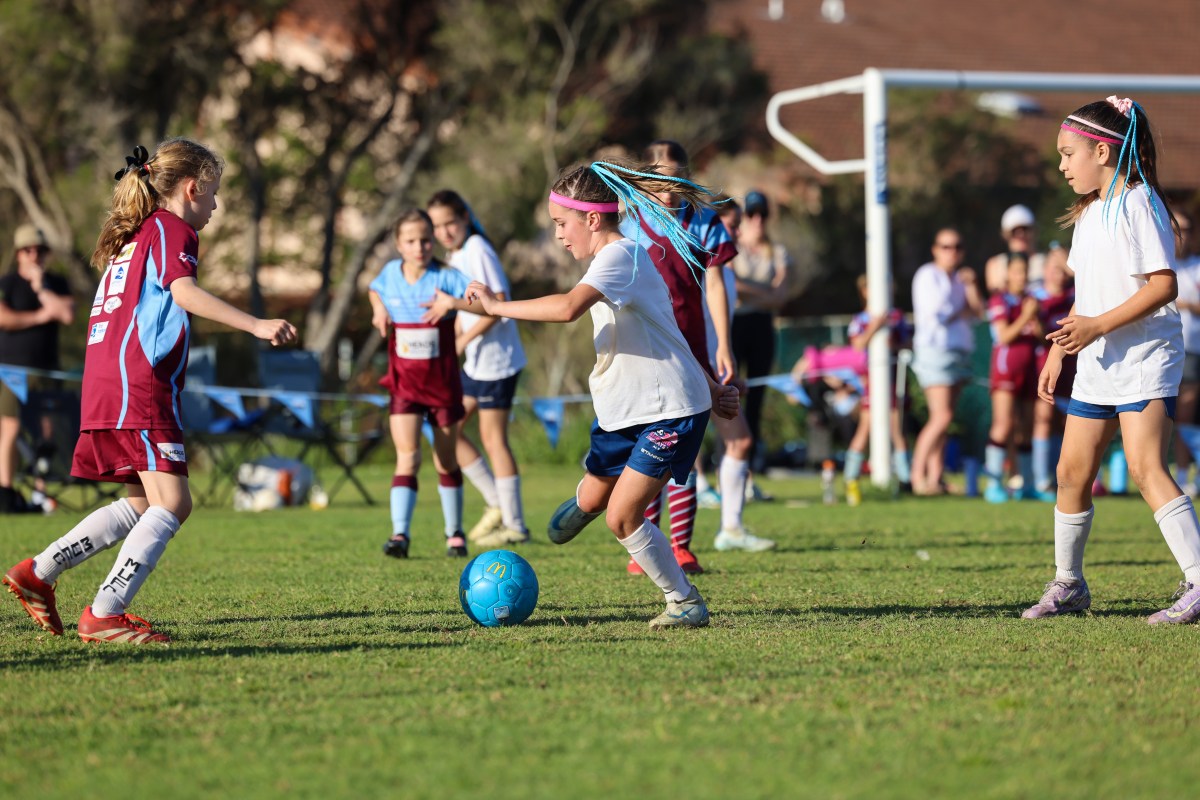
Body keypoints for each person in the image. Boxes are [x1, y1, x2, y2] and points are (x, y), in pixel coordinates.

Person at [2, 139, 296, 643]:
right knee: (175, 502)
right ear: (192, 188)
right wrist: (256, 325)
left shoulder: (134, 235)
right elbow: (183, 292)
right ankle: (105, 612)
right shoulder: (172, 228)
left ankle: (38, 572)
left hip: (107, 382)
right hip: (140, 383)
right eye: (214, 194)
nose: (216, 205)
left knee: (142, 505)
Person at [466, 158, 740, 628]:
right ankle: (588, 501)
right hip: (624, 408)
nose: (558, 235)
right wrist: (714, 385)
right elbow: (668, 330)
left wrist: (495, 306)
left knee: (621, 516)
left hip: (669, 409)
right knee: (592, 503)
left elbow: (568, 307)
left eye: (560, 224)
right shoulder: (616, 259)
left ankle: (686, 602)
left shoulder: (620, 257)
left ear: (592, 218)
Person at [1023, 96, 1200, 624]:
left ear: (1102, 151)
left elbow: (1163, 286)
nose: (1062, 165)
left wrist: (1098, 327)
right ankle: (1070, 584)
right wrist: (1059, 347)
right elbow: (1087, 295)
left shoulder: (1141, 203)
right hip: (1099, 363)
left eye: (1067, 154)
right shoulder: (1090, 213)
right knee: (1071, 471)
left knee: (1147, 469)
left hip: (1145, 357)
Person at [621, 141, 771, 575]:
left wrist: (723, 344)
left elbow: (720, 286)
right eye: (660, 176)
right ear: (645, 176)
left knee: (687, 448)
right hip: (646, 350)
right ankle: (643, 545)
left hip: (694, 351)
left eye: (677, 176)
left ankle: (681, 547)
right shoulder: (629, 225)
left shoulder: (705, 222)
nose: (669, 187)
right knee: (649, 446)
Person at [426, 190, 529, 549]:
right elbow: (465, 309)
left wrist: (462, 338)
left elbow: (498, 304)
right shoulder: (454, 256)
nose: (444, 231)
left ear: (465, 218)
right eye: (436, 226)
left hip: (498, 361)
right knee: (444, 428)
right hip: (476, 364)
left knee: (492, 439)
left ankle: (515, 524)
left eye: (450, 222)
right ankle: (496, 503)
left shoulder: (477, 250)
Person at [369, 209, 473, 560]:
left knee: (445, 461)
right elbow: (374, 290)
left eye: (425, 239)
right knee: (408, 457)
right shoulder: (389, 275)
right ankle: (400, 535)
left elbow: (493, 304)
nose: (419, 246)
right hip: (404, 385)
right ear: (399, 244)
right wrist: (379, 308)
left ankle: (454, 534)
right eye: (411, 240)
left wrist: (454, 304)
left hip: (442, 385)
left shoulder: (448, 277)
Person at [0, 224, 75, 513]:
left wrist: (40, 288)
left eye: (40, 250)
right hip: (12, 371)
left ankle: (39, 493)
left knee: (46, 432)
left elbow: (66, 314)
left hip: (47, 371)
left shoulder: (56, 283)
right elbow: (4, 319)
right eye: (28, 250)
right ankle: (5, 490)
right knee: (11, 428)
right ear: (19, 253)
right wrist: (43, 315)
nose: (35, 255)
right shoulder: (7, 283)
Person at [910, 228, 984, 495]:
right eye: (945, 246)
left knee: (942, 418)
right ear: (935, 249)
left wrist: (971, 287)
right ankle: (917, 476)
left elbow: (978, 312)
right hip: (935, 351)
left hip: (957, 352)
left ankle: (935, 478)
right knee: (942, 417)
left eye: (956, 247)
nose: (951, 252)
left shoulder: (961, 279)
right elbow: (939, 313)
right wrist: (962, 302)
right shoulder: (927, 276)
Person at [730, 189, 791, 500]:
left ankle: (748, 476)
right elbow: (730, 286)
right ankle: (726, 471)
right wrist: (763, 292)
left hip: (762, 330)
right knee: (729, 398)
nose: (757, 220)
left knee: (755, 400)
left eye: (761, 214)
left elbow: (781, 296)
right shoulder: (732, 247)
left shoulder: (777, 252)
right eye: (751, 214)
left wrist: (751, 292)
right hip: (734, 326)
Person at [841, 274, 912, 505]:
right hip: (870, 381)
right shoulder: (861, 319)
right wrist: (875, 327)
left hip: (891, 380)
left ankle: (905, 479)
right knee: (865, 427)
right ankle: (851, 478)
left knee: (895, 428)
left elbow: (908, 342)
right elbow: (857, 345)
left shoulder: (897, 317)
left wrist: (895, 345)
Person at [981, 254, 1046, 503]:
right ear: (1007, 274)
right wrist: (1025, 316)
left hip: (1030, 369)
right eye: (1016, 271)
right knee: (1004, 423)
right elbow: (1003, 336)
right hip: (1006, 368)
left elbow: (1041, 338)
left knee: (1027, 428)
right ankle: (993, 483)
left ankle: (1026, 484)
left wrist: (1036, 318)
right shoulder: (1000, 300)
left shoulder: (1031, 301)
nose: (1021, 276)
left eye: (1024, 271)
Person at [1031, 245, 1076, 495]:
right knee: (1043, 419)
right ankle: (1040, 479)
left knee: (1067, 424)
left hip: (1072, 371)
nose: (1057, 273)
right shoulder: (1036, 298)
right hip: (1044, 368)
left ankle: (1063, 476)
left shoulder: (1074, 296)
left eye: (1062, 269)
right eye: (1052, 268)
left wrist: (1065, 259)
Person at [1171, 210, 1200, 495]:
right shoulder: (1159, 265)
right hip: (1161, 350)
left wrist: (1188, 305)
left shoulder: (1197, 267)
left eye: (1188, 228)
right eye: (1178, 228)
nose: (1184, 234)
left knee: (1185, 415)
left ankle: (1182, 476)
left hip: (1192, 351)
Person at [984, 204, 1046, 295]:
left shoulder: (1047, 261)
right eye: (1015, 231)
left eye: (1025, 229)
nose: (1021, 235)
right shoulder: (995, 264)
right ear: (1005, 234)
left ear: (1034, 231)